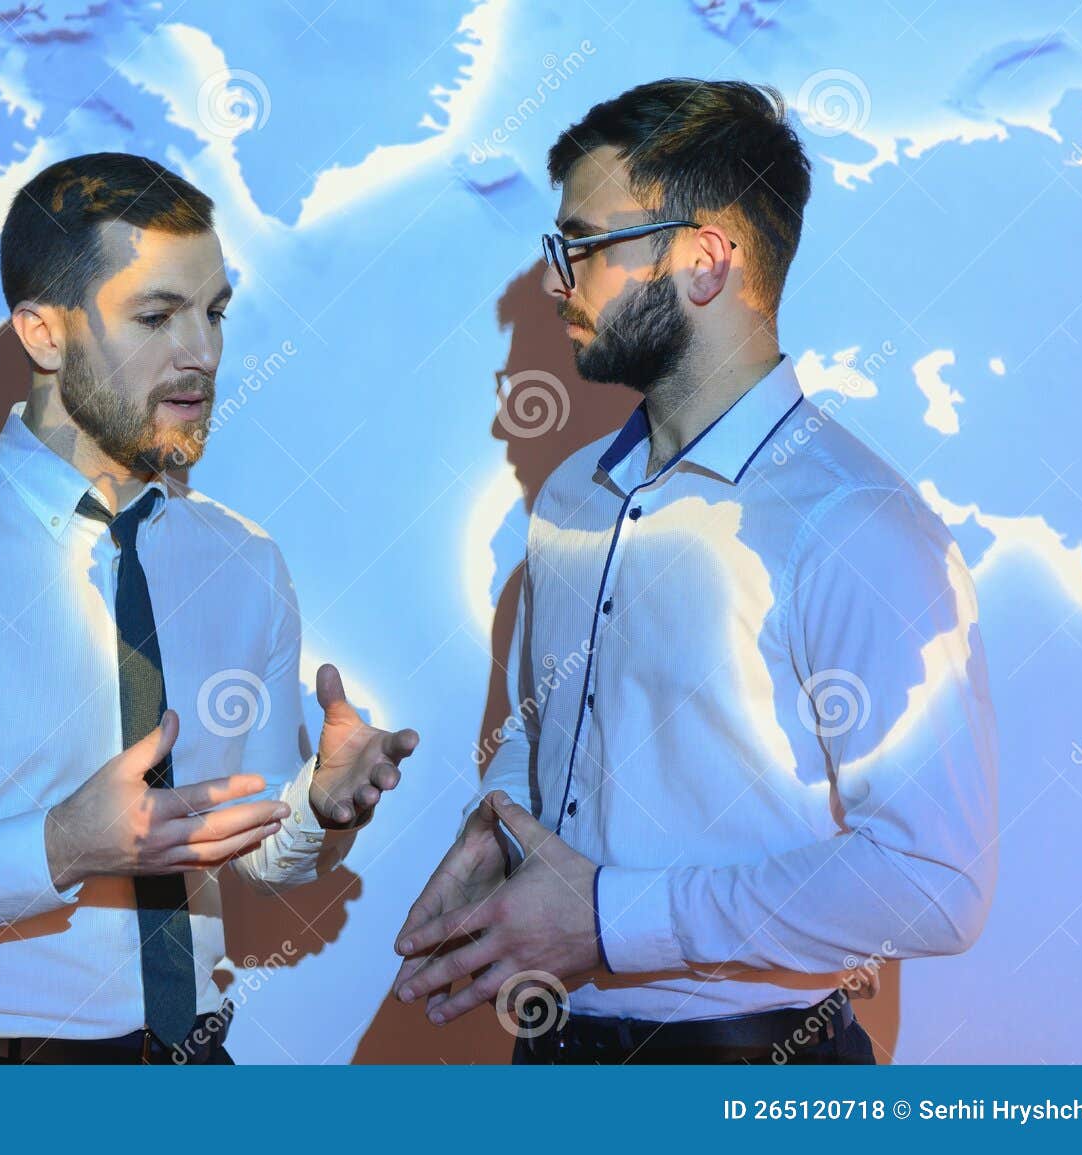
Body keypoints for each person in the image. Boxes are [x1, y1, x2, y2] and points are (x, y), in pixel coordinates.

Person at [0, 152, 417, 1064]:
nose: (204, 353)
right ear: (43, 333)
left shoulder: (244, 562)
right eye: (157, 315)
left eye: (214, 311)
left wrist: (317, 803)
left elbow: (251, 846)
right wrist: (60, 845)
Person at [393, 79, 998, 1064]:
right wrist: (496, 835)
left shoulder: (858, 526)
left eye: (582, 246)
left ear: (705, 259)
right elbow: (544, 738)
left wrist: (608, 921)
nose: (556, 282)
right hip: (547, 1053)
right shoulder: (569, 505)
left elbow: (935, 883)